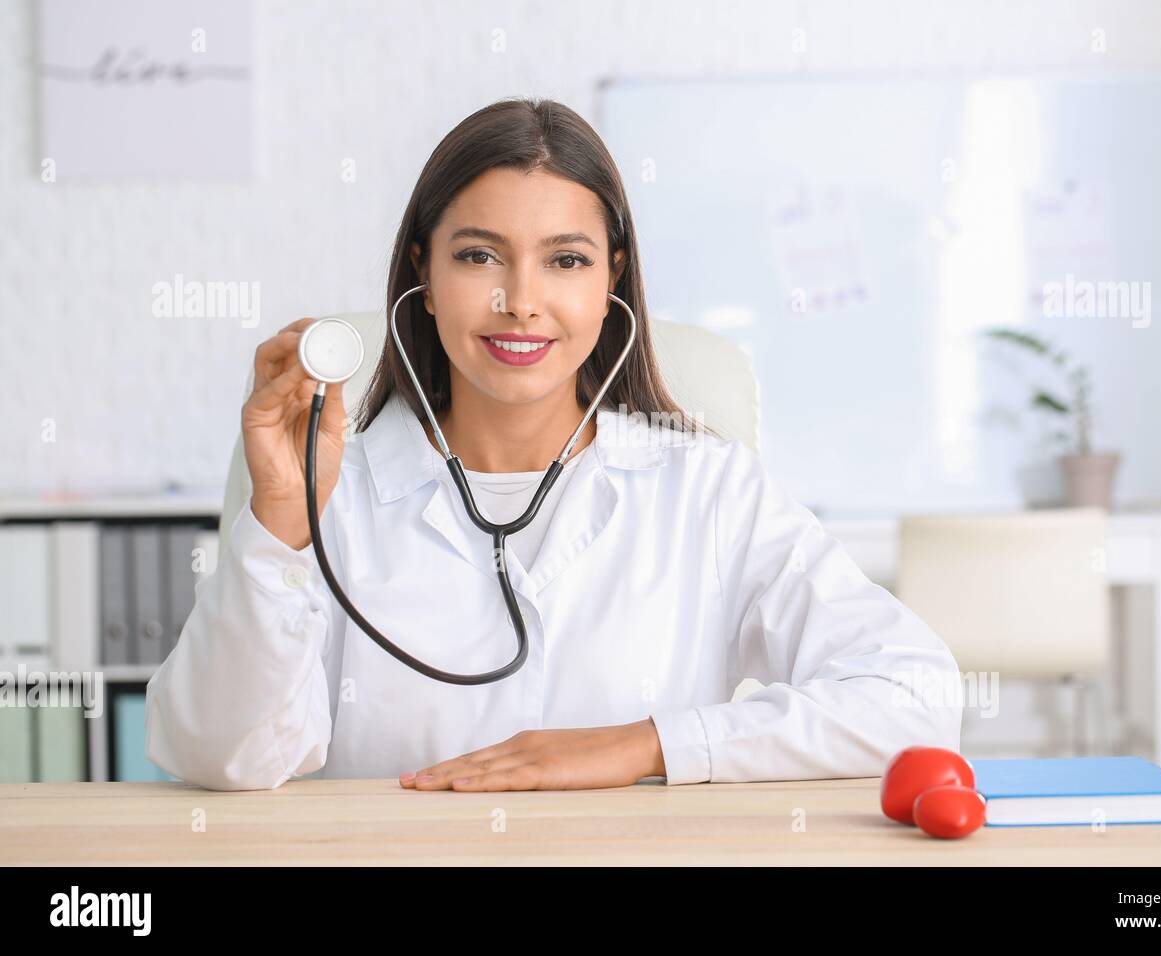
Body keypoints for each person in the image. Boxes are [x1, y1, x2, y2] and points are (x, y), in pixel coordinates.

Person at [144, 97, 962, 792]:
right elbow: (218, 757)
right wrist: (281, 527)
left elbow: (916, 695)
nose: (519, 300)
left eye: (565, 260)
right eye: (477, 256)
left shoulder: (706, 490)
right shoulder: (336, 495)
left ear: (610, 283)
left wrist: (646, 745)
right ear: (423, 277)